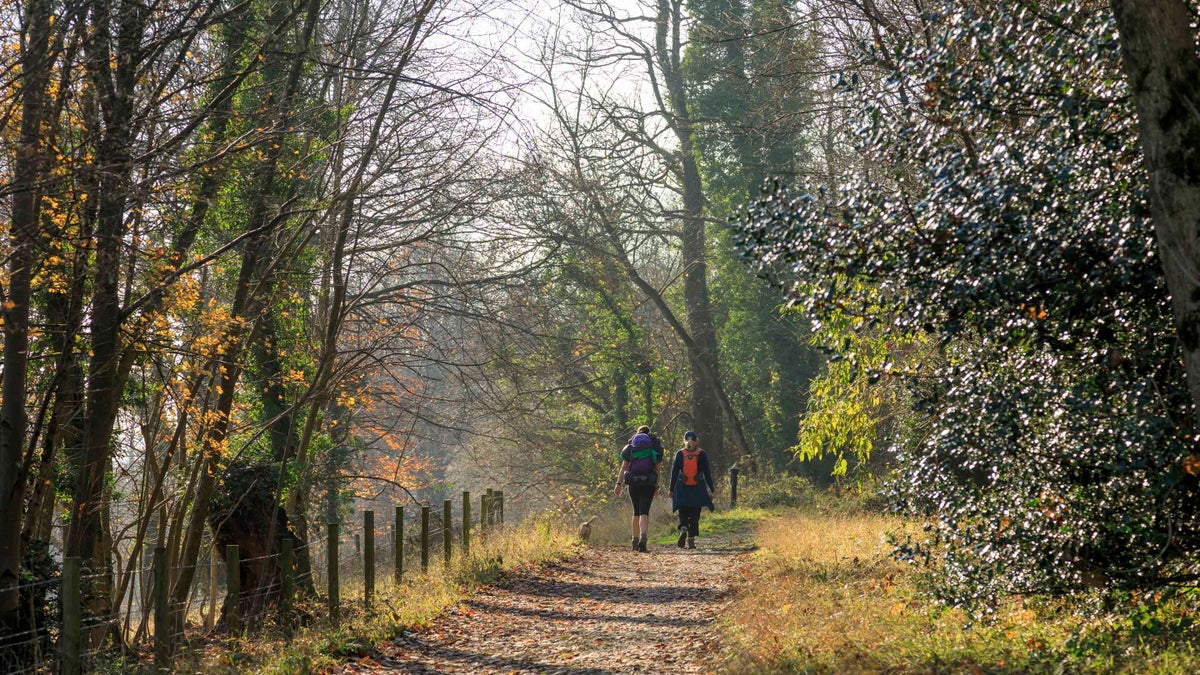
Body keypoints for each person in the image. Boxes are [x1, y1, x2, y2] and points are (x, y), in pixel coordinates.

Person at [615, 430, 662, 552]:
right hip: (648, 483)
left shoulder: (631, 449)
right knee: (644, 511)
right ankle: (643, 538)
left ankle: (634, 540)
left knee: (636, 511)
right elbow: (657, 471)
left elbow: (623, 468)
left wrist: (618, 484)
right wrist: (656, 487)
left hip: (633, 483)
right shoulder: (653, 449)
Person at [669, 430, 715, 549]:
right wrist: (712, 488)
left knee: (683, 511)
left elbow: (674, 473)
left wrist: (671, 489)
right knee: (695, 513)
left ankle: (683, 527)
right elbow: (707, 473)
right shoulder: (702, 454)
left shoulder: (680, 453)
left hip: (682, 486)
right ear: (696, 440)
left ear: (684, 441)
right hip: (698, 487)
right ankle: (691, 539)